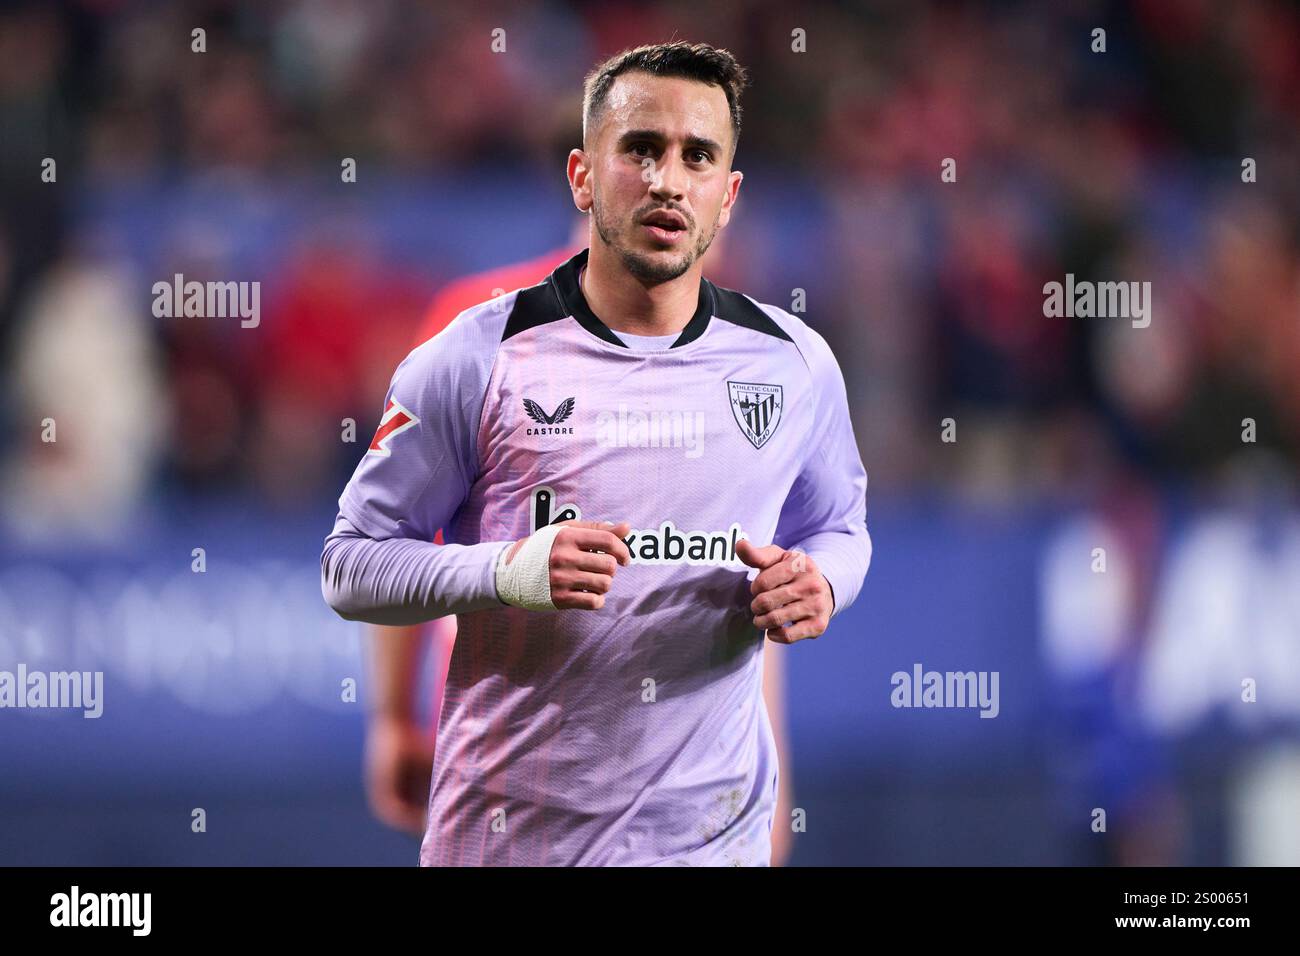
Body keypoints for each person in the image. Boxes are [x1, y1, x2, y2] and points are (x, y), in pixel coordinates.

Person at [323, 41, 871, 866]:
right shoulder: (476, 348)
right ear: (582, 176)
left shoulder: (792, 363)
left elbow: (836, 529)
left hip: (709, 842)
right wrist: (503, 577)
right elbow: (352, 565)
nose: (667, 180)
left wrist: (822, 581)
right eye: (641, 150)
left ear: (729, 195)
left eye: (698, 157)